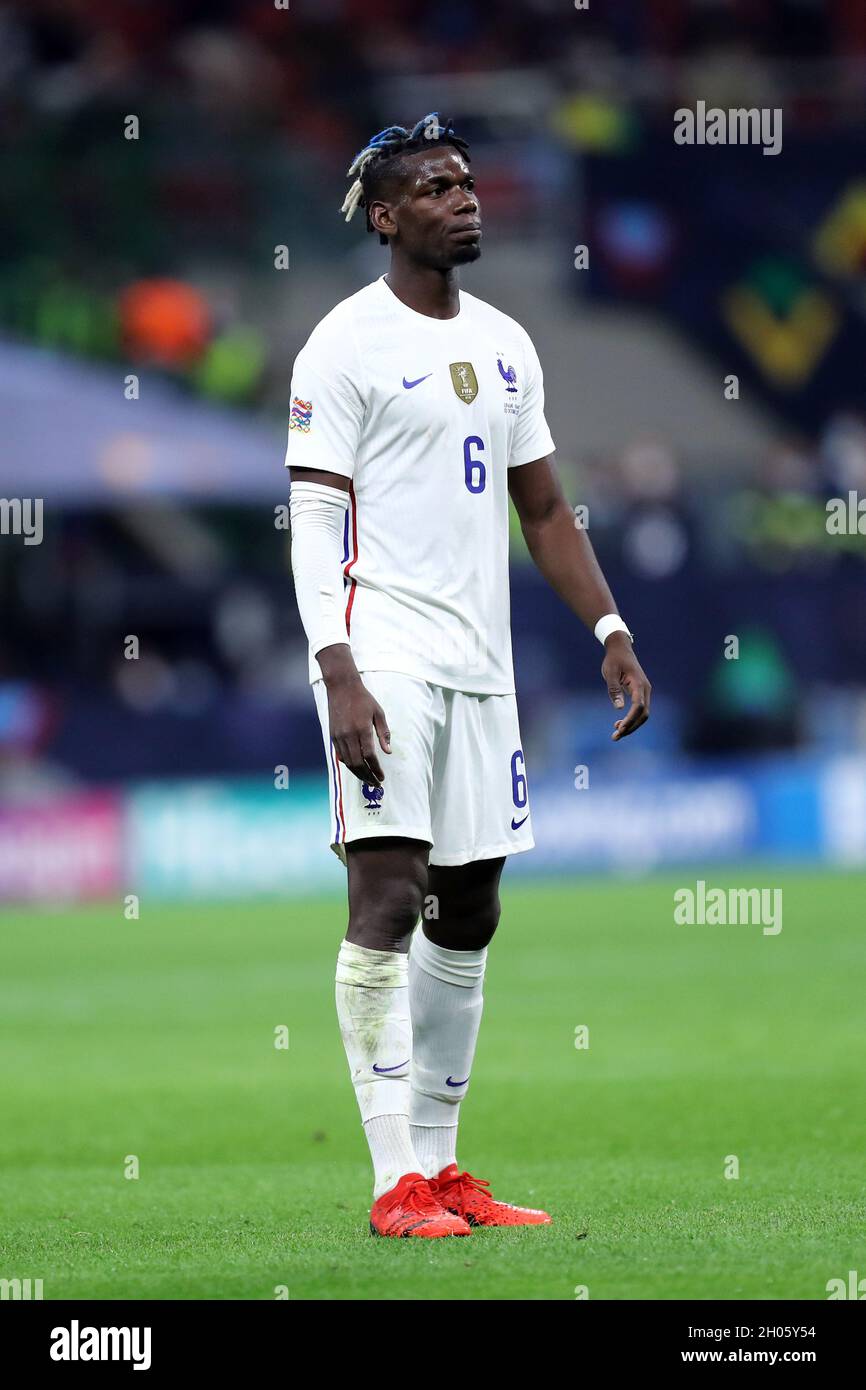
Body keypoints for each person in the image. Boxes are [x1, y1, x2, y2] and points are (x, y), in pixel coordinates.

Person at [287, 114, 651, 1238]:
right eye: (435, 188)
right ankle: (392, 1178)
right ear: (385, 216)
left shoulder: (504, 343)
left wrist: (608, 628)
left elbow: (540, 507)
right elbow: (312, 519)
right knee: (388, 894)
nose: (463, 198)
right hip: (380, 651)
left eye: (467, 181)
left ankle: (443, 1169)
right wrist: (338, 669)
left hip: (479, 667)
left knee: (471, 908)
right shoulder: (340, 344)